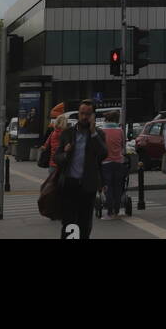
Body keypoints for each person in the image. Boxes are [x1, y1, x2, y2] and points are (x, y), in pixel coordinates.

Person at [54, 100, 107, 240]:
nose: (84, 117)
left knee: (84, 224)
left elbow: (103, 154)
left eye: (88, 114)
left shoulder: (98, 135)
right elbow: (56, 158)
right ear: (78, 113)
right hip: (69, 184)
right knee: (69, 224)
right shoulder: (67, 133)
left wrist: (94, 132)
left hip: (87, 186)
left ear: (93, 116)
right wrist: (65, 153)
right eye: (82, 113)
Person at [101, 122, 126, 218]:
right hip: (118, 161)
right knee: (118, 186)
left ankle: (110, 209)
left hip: (106, 162)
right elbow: (123, 145)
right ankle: (117, 208)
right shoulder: (120, 131)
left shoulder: (102, 131)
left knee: (108, 186)